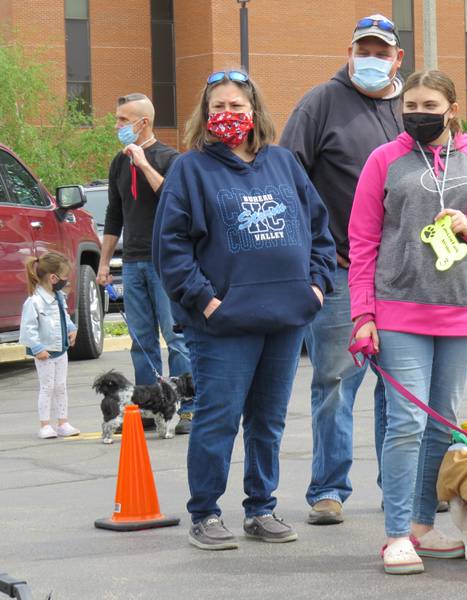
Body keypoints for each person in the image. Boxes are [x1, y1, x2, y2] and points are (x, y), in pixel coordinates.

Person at [153, 69, 336, 550]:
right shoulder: (190, 171)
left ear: (253, 112)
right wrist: (206, 301)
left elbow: (320, 231)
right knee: (218, 418)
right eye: (218, 107)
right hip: (223, 323)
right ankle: (206, 514)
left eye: (236, 106)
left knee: (268, 420)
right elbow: (170, 249)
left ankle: (261, 508)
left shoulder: (283, 163)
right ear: (205, 115)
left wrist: (315, 287)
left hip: (286, 318)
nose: (227, 115)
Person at [348, 69, 467, 574]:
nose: (418, 114)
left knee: (441, 429)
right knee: (406, 421)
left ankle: (424, 524)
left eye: (429, 105)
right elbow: (361, 243)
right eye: (411, 105)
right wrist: (363, 313)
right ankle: (398, 533)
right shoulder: (384, 161)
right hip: (399, 309)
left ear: (451, 108)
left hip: (464, 310)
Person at [279, 13, 402, 525]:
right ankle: (328, 490)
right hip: (341, 274)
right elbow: (285, 179)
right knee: (335, 382)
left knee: (402, 385)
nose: (370, 59)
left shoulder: (412, 106)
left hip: (404, 277)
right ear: (349, 52)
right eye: (362, 50)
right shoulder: (319, 103)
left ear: (399, 57)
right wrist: (314, 255)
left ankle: (403, 485)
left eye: (380, 51)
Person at [97, 93, 194, 433]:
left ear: (143, 122)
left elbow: (174, 200)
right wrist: (105, 263)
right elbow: (114, 215)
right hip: (134, 262)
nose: (117, 126)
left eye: (123, 120)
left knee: (176, 335)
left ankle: (186, 409)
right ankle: (147, 407)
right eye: (118, 119)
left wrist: (143, 163)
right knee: (140, 340)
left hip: (166, 264)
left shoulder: (171, 159)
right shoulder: (117, 163)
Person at [19, 252, 80, 439]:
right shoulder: (34, 302)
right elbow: (27, 329)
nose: (66, 281)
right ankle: (45, 425)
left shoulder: (58, 297)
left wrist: (72, 328)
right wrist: (37, 348)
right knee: (47, 387)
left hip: (61, 350)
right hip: (45, 353)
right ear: (53, 278)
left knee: (61, 386)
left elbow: (64, 316)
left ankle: (63, 422)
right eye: (64, 277)